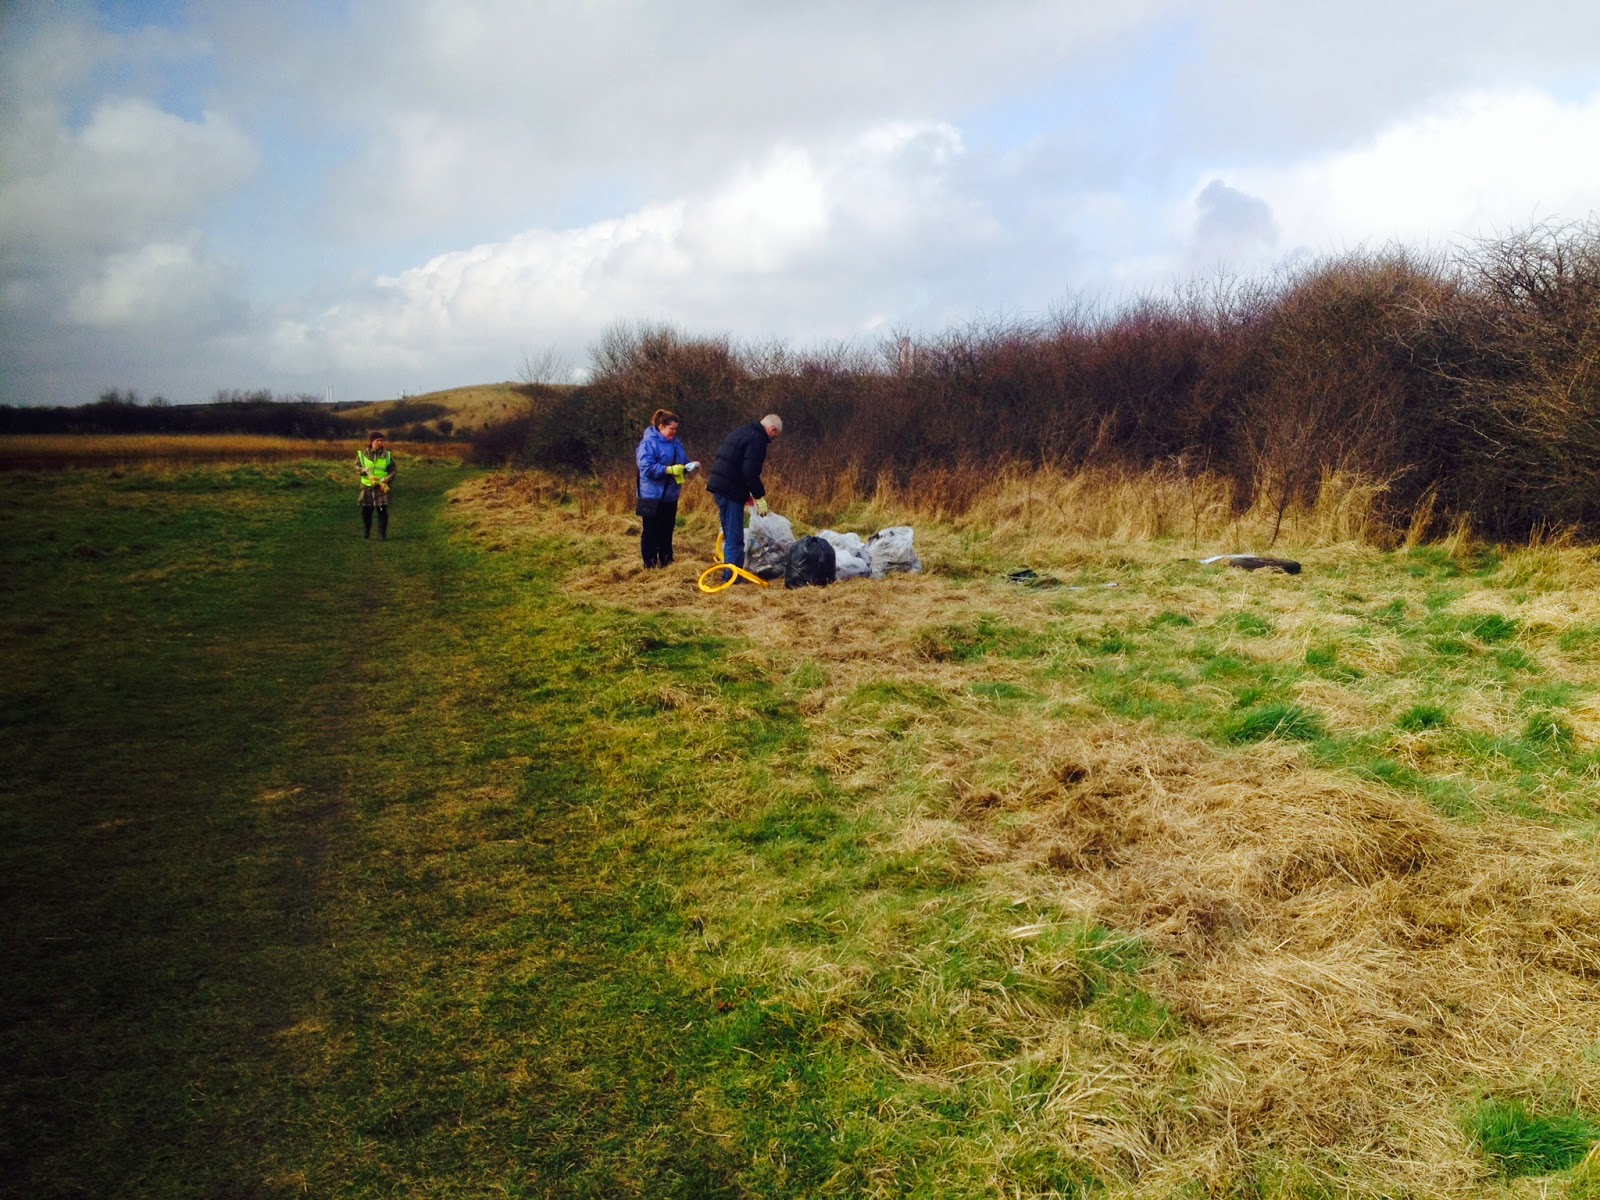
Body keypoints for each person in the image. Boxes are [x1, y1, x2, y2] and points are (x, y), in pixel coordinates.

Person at [706, 413, 782, 577]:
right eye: (776, 435)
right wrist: (759, 496)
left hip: (721, 486)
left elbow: (737, 463)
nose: (774, 438)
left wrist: (746, 493)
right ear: (772, 429)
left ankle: (730, 571)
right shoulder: (758, 440)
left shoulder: (744, 431)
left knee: (729, 532)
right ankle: (732, 578)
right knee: (735, 536)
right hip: (729, 489)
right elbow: (750, 472)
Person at [634, 409, 698, 568]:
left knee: (667, 530)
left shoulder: (676, 442)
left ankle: (667, 562)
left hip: (670, 495)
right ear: (661, 426)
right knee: (651, 532)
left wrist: (689, 465)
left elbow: (681, 460)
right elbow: (646, 469)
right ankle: (649, 565)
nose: (674, 432)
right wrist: (668, 470)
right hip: (651, 497)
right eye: (672, 429)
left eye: (676, 429)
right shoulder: (648, 444)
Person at [357, 432, 396, 540]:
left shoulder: (387, 455)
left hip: (382, 487)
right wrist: (362, 470)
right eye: (377, 440)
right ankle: (367, 531)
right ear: (371, 442)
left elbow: (393, 470)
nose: (380, 442)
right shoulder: (363, 454)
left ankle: (382, 534)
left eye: (381, 440)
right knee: (366, 511)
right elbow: (357, 465)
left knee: (382, 511)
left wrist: (388, 478)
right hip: (367, 487)